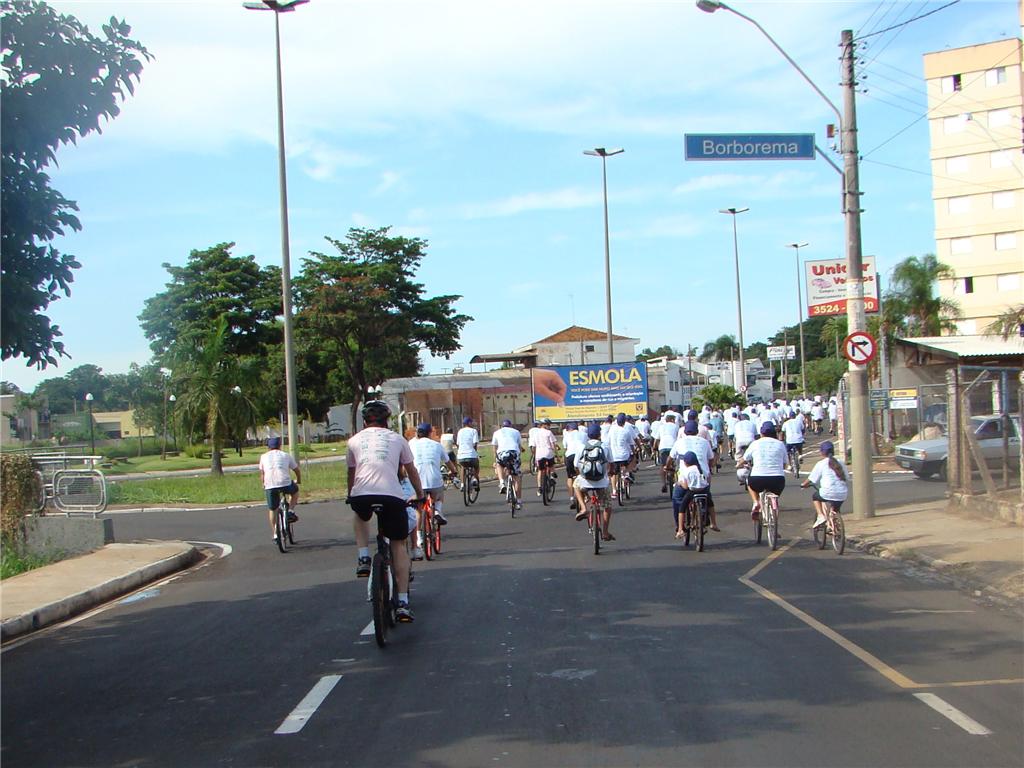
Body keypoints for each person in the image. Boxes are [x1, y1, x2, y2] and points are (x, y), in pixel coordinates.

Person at [346, 400, 423, 623]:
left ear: (364, 421)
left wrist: (351, 494)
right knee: (398, 543)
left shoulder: (353, 441)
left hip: (362, 494)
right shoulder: (398, 439)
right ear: (387, 421)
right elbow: (411, 471)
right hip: (391, 496)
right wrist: (419, 494)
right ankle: (402, 603)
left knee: (360, 515)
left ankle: (363, 558)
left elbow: (352, 472)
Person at [669, 421, 720, 530]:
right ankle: (709, 519)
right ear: (697, 431)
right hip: (703, 478)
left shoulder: (679, 442)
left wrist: (667, 466)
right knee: (707, 496)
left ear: (684, 431)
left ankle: (680, 526)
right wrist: (708, 468)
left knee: (677, 498)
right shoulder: (705, 442)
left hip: (686, 480)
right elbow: (711, 460)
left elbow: (670, 458)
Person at [409, 422, 457, 526]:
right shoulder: (437, 445)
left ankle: (419, 537)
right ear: (430, 433)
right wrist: (454, 472)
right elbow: (449, 463)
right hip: (434, 482)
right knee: (439, 495)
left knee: (419, 510)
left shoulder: (411, 445)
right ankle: (437, 511)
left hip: (417, 482)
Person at [573, 422, 614, 541]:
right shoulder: (605, 446)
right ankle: (605, 532)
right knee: (607, 506)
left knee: (576, 485)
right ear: (599, 434)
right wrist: (609, 472)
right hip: (602, 482)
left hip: (585, 481)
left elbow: (576, 465)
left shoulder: (582, 446)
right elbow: (611, 463)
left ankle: (583, 507)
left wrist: (581, 474)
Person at [740, 422, 788, 519]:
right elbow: (785, 463)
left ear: (761, 433)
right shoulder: (780, 444)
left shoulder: (755, 443)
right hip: (777, 479)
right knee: (775, 495)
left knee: (750, 484)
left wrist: (738, 464)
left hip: (758, 478)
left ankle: (756, 502)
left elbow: (744, 459)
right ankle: (774, 522)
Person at [259, 436, 301, 543]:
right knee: (295, 492)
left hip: (270, 485)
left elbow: (262, 473)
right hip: (285, 483)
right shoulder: (285, 455)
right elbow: (296, 470)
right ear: (279, 446)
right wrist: (298, 480)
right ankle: (290, 510)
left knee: (273, 509)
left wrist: (263, 484)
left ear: (268, 447)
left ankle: (275, 534)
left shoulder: (263, 457)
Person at [801, 441, 848, 528]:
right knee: (835, 508)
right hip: (843, 493)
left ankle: (820, 516)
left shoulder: (821, 464)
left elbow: (811, 479)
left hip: (827, 492)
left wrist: (803, 484)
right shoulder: (840, 463)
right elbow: (847, 477)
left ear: (822, 452)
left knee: (815, 496)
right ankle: (836, 526)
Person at [673, 451, 709, 539]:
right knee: (709, 503)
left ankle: (680, 529)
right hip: (703, 490)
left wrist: (679, 483)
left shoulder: (686, 470)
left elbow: (685, 486)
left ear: (684, 462)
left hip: (692, 491)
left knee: (681, 507)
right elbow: (708, 478)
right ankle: (711, 522)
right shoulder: (700, 468)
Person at [491, 418, 523, 509]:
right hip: (513, 453)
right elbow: (519, 447)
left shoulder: (496, 433)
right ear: (510, 425)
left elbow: (494, 449)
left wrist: (495, 460)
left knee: (499, 464)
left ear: (502, 426)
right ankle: (519, 501)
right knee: (517, 477)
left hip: (502, 453)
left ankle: (502, 482)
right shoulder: (516, 432)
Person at [531, 418, 559, 496]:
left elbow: (533, 447)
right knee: (551, 464)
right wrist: (557, 455)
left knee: (540, 471)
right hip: (548, 453)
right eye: (548, 424)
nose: (549, 426)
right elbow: (553, 445)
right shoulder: (549, 432)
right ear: (544, 425)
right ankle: (553, 475)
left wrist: (534, 455)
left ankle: (539, 487)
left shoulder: (535, 434)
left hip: (539, 454)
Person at [657, 412, 681, 493]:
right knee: (677, 465)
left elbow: (657, 439)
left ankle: (664, 483)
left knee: (662, 466)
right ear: (672, 420)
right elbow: (679, 438)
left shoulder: (661, 427)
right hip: (673, 446)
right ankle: (677, 481)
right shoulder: (676, 426)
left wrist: (654, 447)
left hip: (663, 447)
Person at [455, 416, 481, 489]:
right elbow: (475, 444)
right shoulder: (473, 431)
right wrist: (475, 453)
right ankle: (475, 479)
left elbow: (458, 444)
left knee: (463, 467)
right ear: (469, 423)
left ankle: (462, 484)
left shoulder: (460, 431)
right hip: (471, 454)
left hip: (461, 456)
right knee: (476, 466)